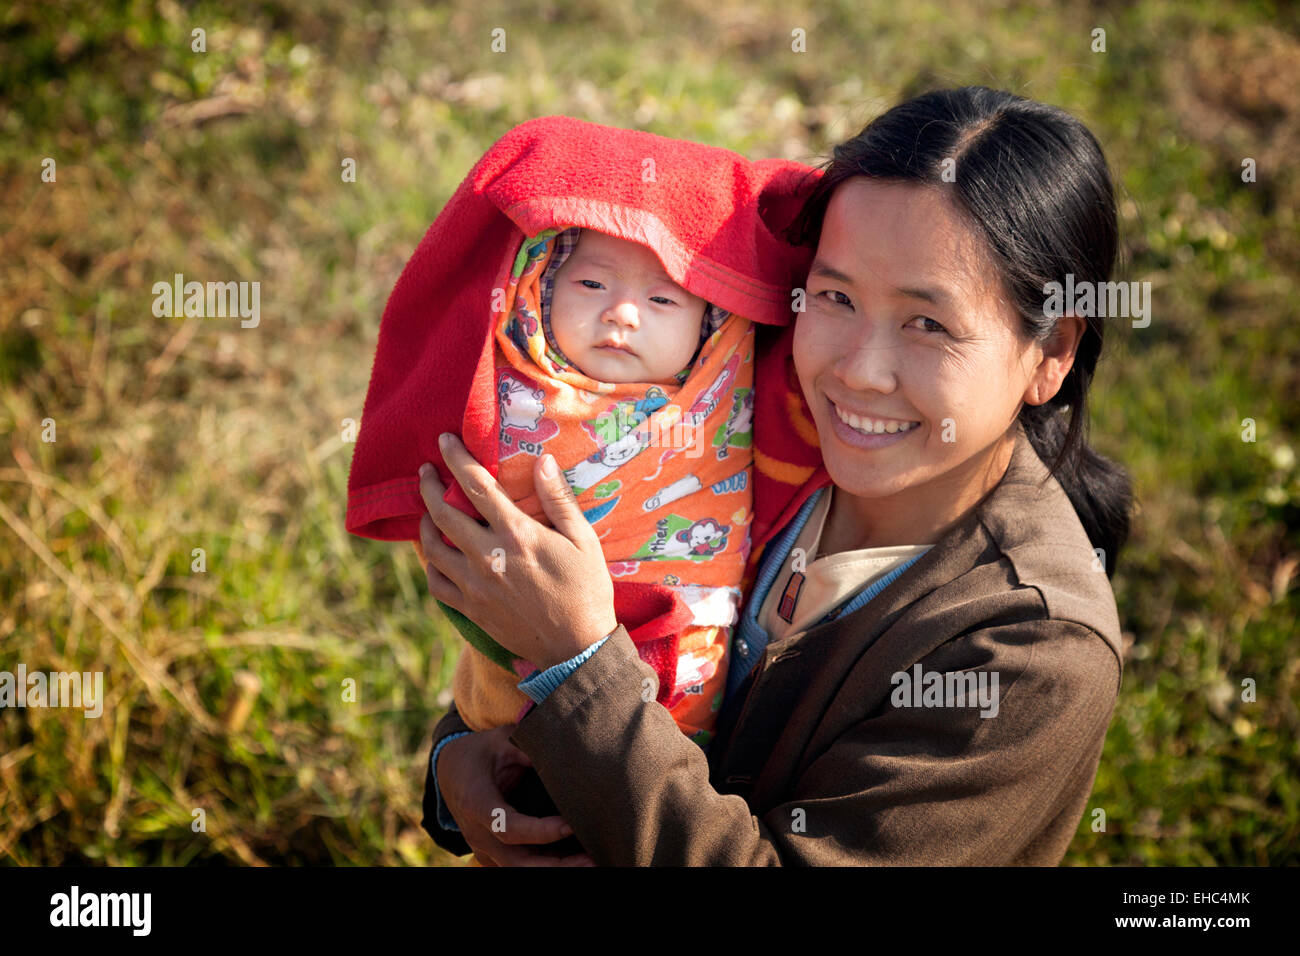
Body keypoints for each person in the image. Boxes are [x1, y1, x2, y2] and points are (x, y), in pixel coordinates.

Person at [417, 86, 1135, 866]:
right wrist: (458, 759)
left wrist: (577, 671)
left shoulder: (1031, 649)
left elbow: (577, 657)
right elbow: (535, 647)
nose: (859, 372)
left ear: (1053, 352)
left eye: (927, 324)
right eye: (834, 297)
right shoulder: (745, 438)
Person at [414, 223, 757, 748]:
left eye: (663, 298)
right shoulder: (498, 383)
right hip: (507, 674)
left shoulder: (720, 404)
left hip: (679, 696)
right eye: (592, 285)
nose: (622, 312)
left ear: (710, 327)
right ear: (539, 290)